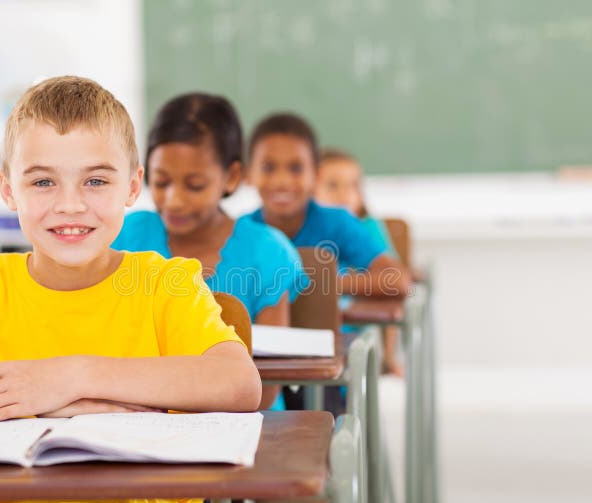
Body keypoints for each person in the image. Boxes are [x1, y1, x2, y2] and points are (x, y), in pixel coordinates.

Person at [0, 76, 261, 503]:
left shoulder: (165, 284)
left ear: (133, 187)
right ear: (8, 190)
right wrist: (37, 400)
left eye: (95, 181)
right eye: (43, 181)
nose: (70, 205)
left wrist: (72, 377)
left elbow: (238, 383)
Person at [112, 93, 307, 410]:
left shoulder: (267, 252)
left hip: (244, 424)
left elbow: (267, 385)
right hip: (132, 419)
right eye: (161, 182)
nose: (174, 200)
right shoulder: (123, 235)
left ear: (231, 177)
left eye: (195, 185)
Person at [243, 112, 412, 298]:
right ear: (248, 174)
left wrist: (319, 284)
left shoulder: (338, 223)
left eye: (296, 168)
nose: (282, 181)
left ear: (316, 174)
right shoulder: (239, 232)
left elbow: (398, 280)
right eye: (268, 168)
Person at [315, 147, 403, 375]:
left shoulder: (368, 229)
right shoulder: (311, 229)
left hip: (353, 335)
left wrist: (389, 357)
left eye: (353, 185)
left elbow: (392, 289)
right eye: (332, 185)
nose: (344, 195)